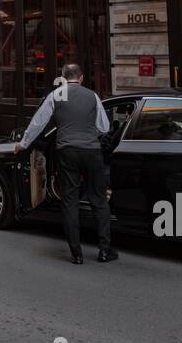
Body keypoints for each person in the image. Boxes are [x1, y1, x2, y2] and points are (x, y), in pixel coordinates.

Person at [15, 63, 116, 265]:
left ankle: (76, 254)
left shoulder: (56, 95)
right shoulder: (92, 96)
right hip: (91, 152)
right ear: (81, 78)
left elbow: (38, 122)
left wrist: (23, 144)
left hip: (67, 151)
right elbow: (104, 127)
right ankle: (104, 250)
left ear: (63, 77)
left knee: (70, 200)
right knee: (99, 199)